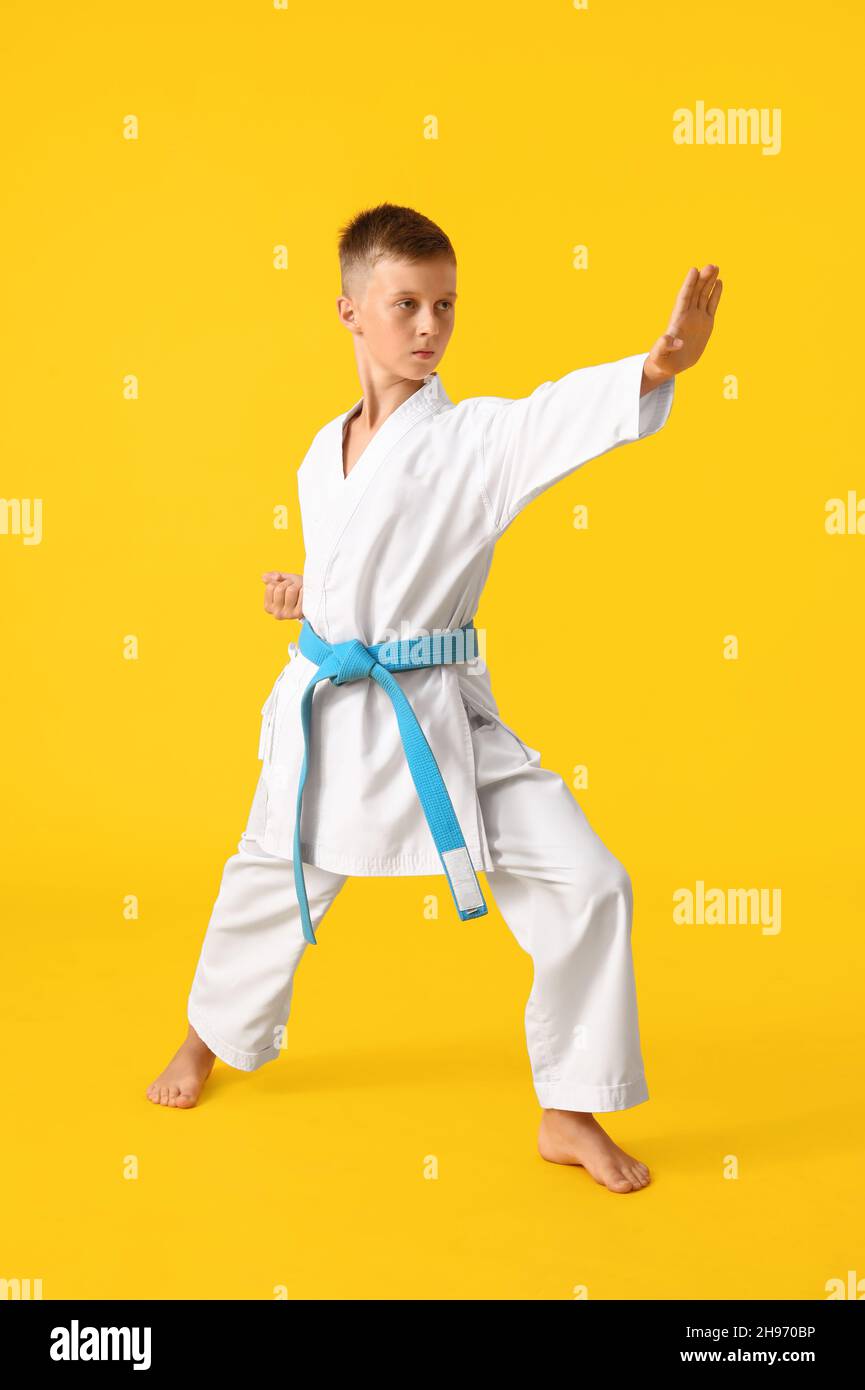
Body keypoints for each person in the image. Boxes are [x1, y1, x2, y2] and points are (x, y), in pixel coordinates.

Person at [147, 203, 722, 1195]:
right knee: (267, 880)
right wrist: (306, 596)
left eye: (444, 307)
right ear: (349, 311)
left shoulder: (473, 442)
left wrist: (658, 365)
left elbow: (553, 412)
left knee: (590, 881)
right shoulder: (318, 453)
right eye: (405, 303)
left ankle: (568, 1106)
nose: (428, 326)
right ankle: (209, 1037)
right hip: (333, 711)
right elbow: (357, 567)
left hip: (437, 718)